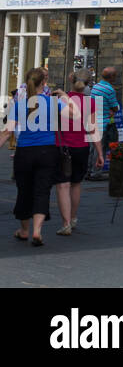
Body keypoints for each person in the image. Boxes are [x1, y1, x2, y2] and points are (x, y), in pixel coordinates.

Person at [0, 68, 70, 247]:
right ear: (44, 83)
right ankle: (37, 231)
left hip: (25, 152)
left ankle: (24, 231)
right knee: (42, 190)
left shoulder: (19, 105)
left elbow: (8, 132)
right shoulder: (52, 102)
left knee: (24, 190)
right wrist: (64, 96)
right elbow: (74, 114)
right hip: (48, 151)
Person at [53, 69, 99, 236]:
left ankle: (65, 224)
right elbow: (93, 130)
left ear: (70, 79)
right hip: (82, 147)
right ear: (88, 84)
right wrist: (100, 153)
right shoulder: (91, 102)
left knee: (62, 185)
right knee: (76, 184)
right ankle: (73, 218)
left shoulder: (60, 99)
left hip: (62, 146)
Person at [86, 66, 122, 178]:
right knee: (101, 148)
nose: (116, 77)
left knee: (92, 148)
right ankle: (96, 172)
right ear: (111, 77)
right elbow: (115, 107)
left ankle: (89, 171)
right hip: (103, 123)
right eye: (115, 75)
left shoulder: (96, 87)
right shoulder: (109, 90)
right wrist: (112, 110)